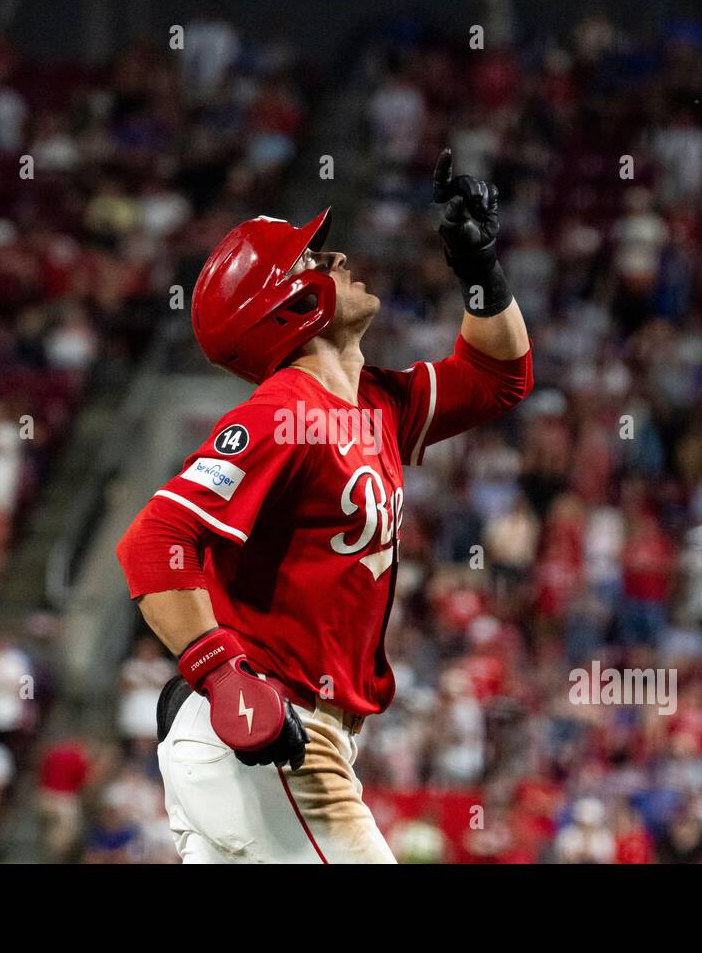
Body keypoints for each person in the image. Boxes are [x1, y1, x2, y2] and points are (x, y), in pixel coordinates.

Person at [115, 149, 533, 863]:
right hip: (268, 728)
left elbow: (498, 378)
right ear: (293, 305)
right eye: (314, 256)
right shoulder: (285, 411)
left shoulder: (373, 403)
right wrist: (223, 676)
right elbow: (155, 538)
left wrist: (478, 266)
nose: (337, 256)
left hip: (280, 733)